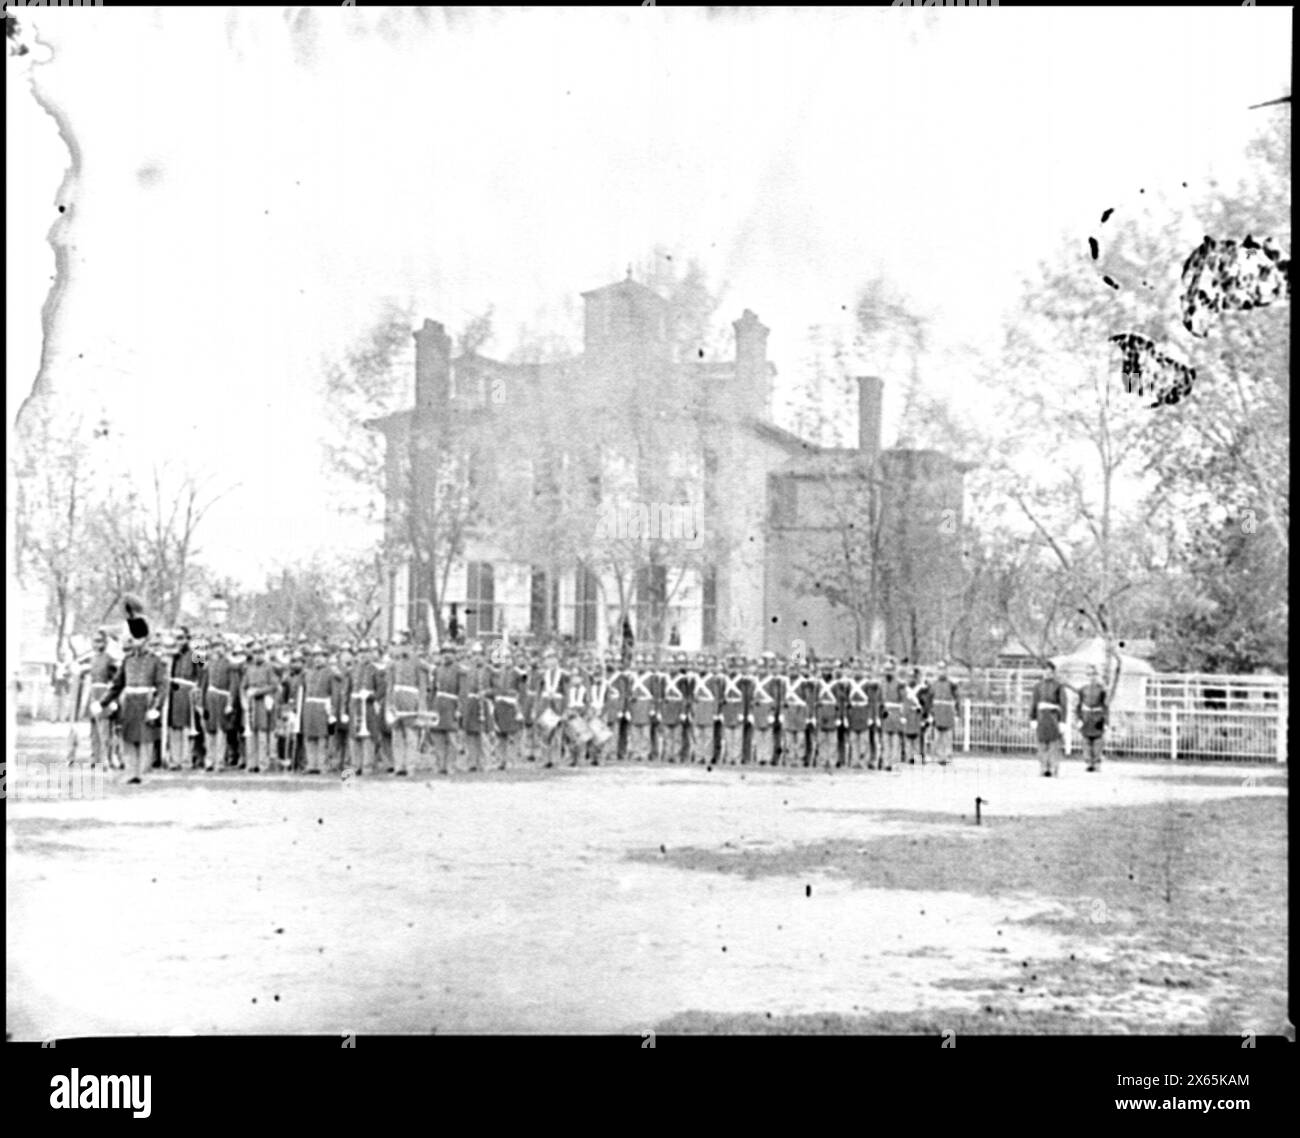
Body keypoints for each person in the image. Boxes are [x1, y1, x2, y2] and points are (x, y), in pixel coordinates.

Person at [98, 623, 167, 785]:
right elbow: (117, 684)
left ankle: (143, 774)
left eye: (140, 639)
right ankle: (130, 772)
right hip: (129, 701)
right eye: (134, 638)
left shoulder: (155, 661)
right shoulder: (127, 660)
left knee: (145, 738)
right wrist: (103, 702)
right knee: (128, 737)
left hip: (146, 700)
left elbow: (162, 686)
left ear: (146, 640)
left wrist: (156, 707)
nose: (137, 642)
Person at [82, 629, 120, 769]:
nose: (97, 644)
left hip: (105, 693)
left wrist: (113, 700)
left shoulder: (110, 659)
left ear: (105, 643)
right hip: (93, 692)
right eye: (95, 641)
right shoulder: (90, 659)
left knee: (105, 729)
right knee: (93, 729)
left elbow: (116, 681)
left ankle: (106, 759)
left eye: (100, 641)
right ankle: (94, 758)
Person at [166, 626, 202, 771]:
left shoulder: (197, 653)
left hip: (188, 693)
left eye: (181, 638)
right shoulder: (172, 656)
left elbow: (202, 673)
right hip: (174, 693)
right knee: (175, 726)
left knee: (187, 726)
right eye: (176, 638)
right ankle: (175, 759)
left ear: (188, 638)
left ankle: (187, 759)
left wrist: (197, 691)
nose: (179, 642)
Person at [242, 639, 280, 773]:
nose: (257, 655)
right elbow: (243, 686)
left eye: (260, 652)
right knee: (251, 734)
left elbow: (274, 685)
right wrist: (244, 700)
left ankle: (263, 763)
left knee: (262, 734)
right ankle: (252, 764)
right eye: (255, 652)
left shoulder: (269, 667)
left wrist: (258, 691)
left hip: (263, 703)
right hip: (251, 704)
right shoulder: (249, 668)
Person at [429, 643, 464, 774]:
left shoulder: (460, 670)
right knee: (438, 737)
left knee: (452, 738)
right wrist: (431, 706)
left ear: (454, 655)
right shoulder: (437, 670)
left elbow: (462, 691)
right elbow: (433, 690)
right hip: (438, 705)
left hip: (452, 705)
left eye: (450, 652)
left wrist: (459, 708)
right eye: (444, 653)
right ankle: (440, 765)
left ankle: (451, 765)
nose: (447, 655)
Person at [461, 642, 494, 773]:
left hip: (483, 704)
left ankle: (485, 763)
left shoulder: (489, 670)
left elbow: (496, 688)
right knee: (470, 735)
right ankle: (472, 763)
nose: (477, 657)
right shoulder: (467, 670)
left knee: (483, 736)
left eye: (480, 654)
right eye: (474, 654)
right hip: (470, 704)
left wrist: (486, 692)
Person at [1030, 660, 1066, 777]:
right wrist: (1033, 718)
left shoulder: (1059, 686)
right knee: (1041, 744)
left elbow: (1063, 704)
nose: (1047, 673)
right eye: (1045, 671)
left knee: (1053, 744)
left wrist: (1062, 721)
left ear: (1053, 673)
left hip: (1053, 717)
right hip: (1041, 717)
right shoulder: (1037, 686)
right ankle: (1044, 767)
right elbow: (1034, 703)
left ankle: (1053, 767)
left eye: (1050, 671)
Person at [1076, 664, 1108, 772]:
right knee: (1086, 741)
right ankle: (1088, 763)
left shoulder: (1102, 690)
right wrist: (1079, 718)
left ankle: (1097, 762)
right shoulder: (1082, 689)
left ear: (1097, 675)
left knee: (1098, 741)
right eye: (1089, 674)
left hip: (1097, 716)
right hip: (1086, 716)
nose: (1092, 677)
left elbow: (1105, 705)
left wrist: (1106, 721)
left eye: (1094, 674)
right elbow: (1079, 705)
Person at [929, 661, 961, 765]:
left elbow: (957, 699)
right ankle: (939, 757)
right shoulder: (933, 684)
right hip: (937, 713)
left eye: (943, 669)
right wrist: (929, 713)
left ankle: (947, 756)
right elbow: (929, 699)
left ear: (946, 671)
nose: (941, 672)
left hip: (947, 714)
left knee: (947, 737)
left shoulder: (951, 684)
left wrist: (957, 713)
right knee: (937, 737)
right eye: (939, 669)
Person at [879, 658, 905, 771]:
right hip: (885, 714)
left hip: (895, 714)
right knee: (885, 741)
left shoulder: (899, 684)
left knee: (895, 741)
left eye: (890, 670)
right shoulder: (882, 683)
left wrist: (903, 716)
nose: (888, 672)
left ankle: (895, 763)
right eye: (886, 670)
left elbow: (904, 700)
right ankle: (886, 763)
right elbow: (880, 700)